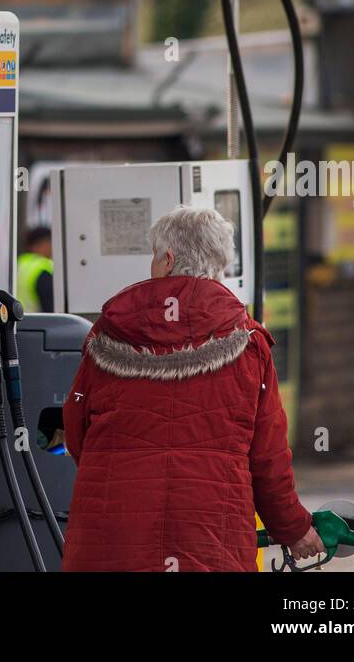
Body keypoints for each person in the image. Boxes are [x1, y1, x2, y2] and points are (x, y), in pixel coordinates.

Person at [62, 206, 321, 572]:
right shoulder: (248, 342)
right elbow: (267, 459)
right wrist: (295, 528)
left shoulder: (106, 334)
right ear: (220, 266)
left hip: (112, 537)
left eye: (154, 257)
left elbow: (76, 431)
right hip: (211, 537)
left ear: (167, 261)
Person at [17, 226, 54, 313]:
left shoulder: (19, 263)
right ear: (41, 244)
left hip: (15, 321)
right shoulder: (43, 267)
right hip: (37, 323)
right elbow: (50, 309)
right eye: (50, 242)